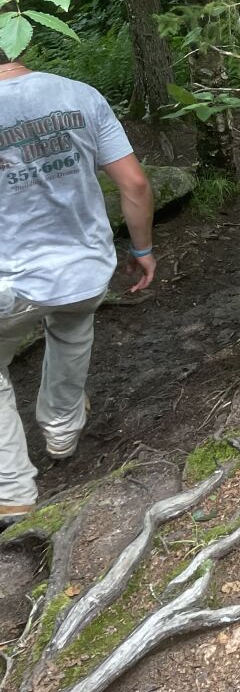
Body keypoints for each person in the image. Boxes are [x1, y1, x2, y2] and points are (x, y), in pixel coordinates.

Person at [0, 52, 155, 521]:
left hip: (8, 279)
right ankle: (62, 431)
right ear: (19, 41)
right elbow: (134, 184)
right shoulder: (80, 95)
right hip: (83, 268)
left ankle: (13, 491)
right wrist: (143, 250)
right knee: (70, 331)